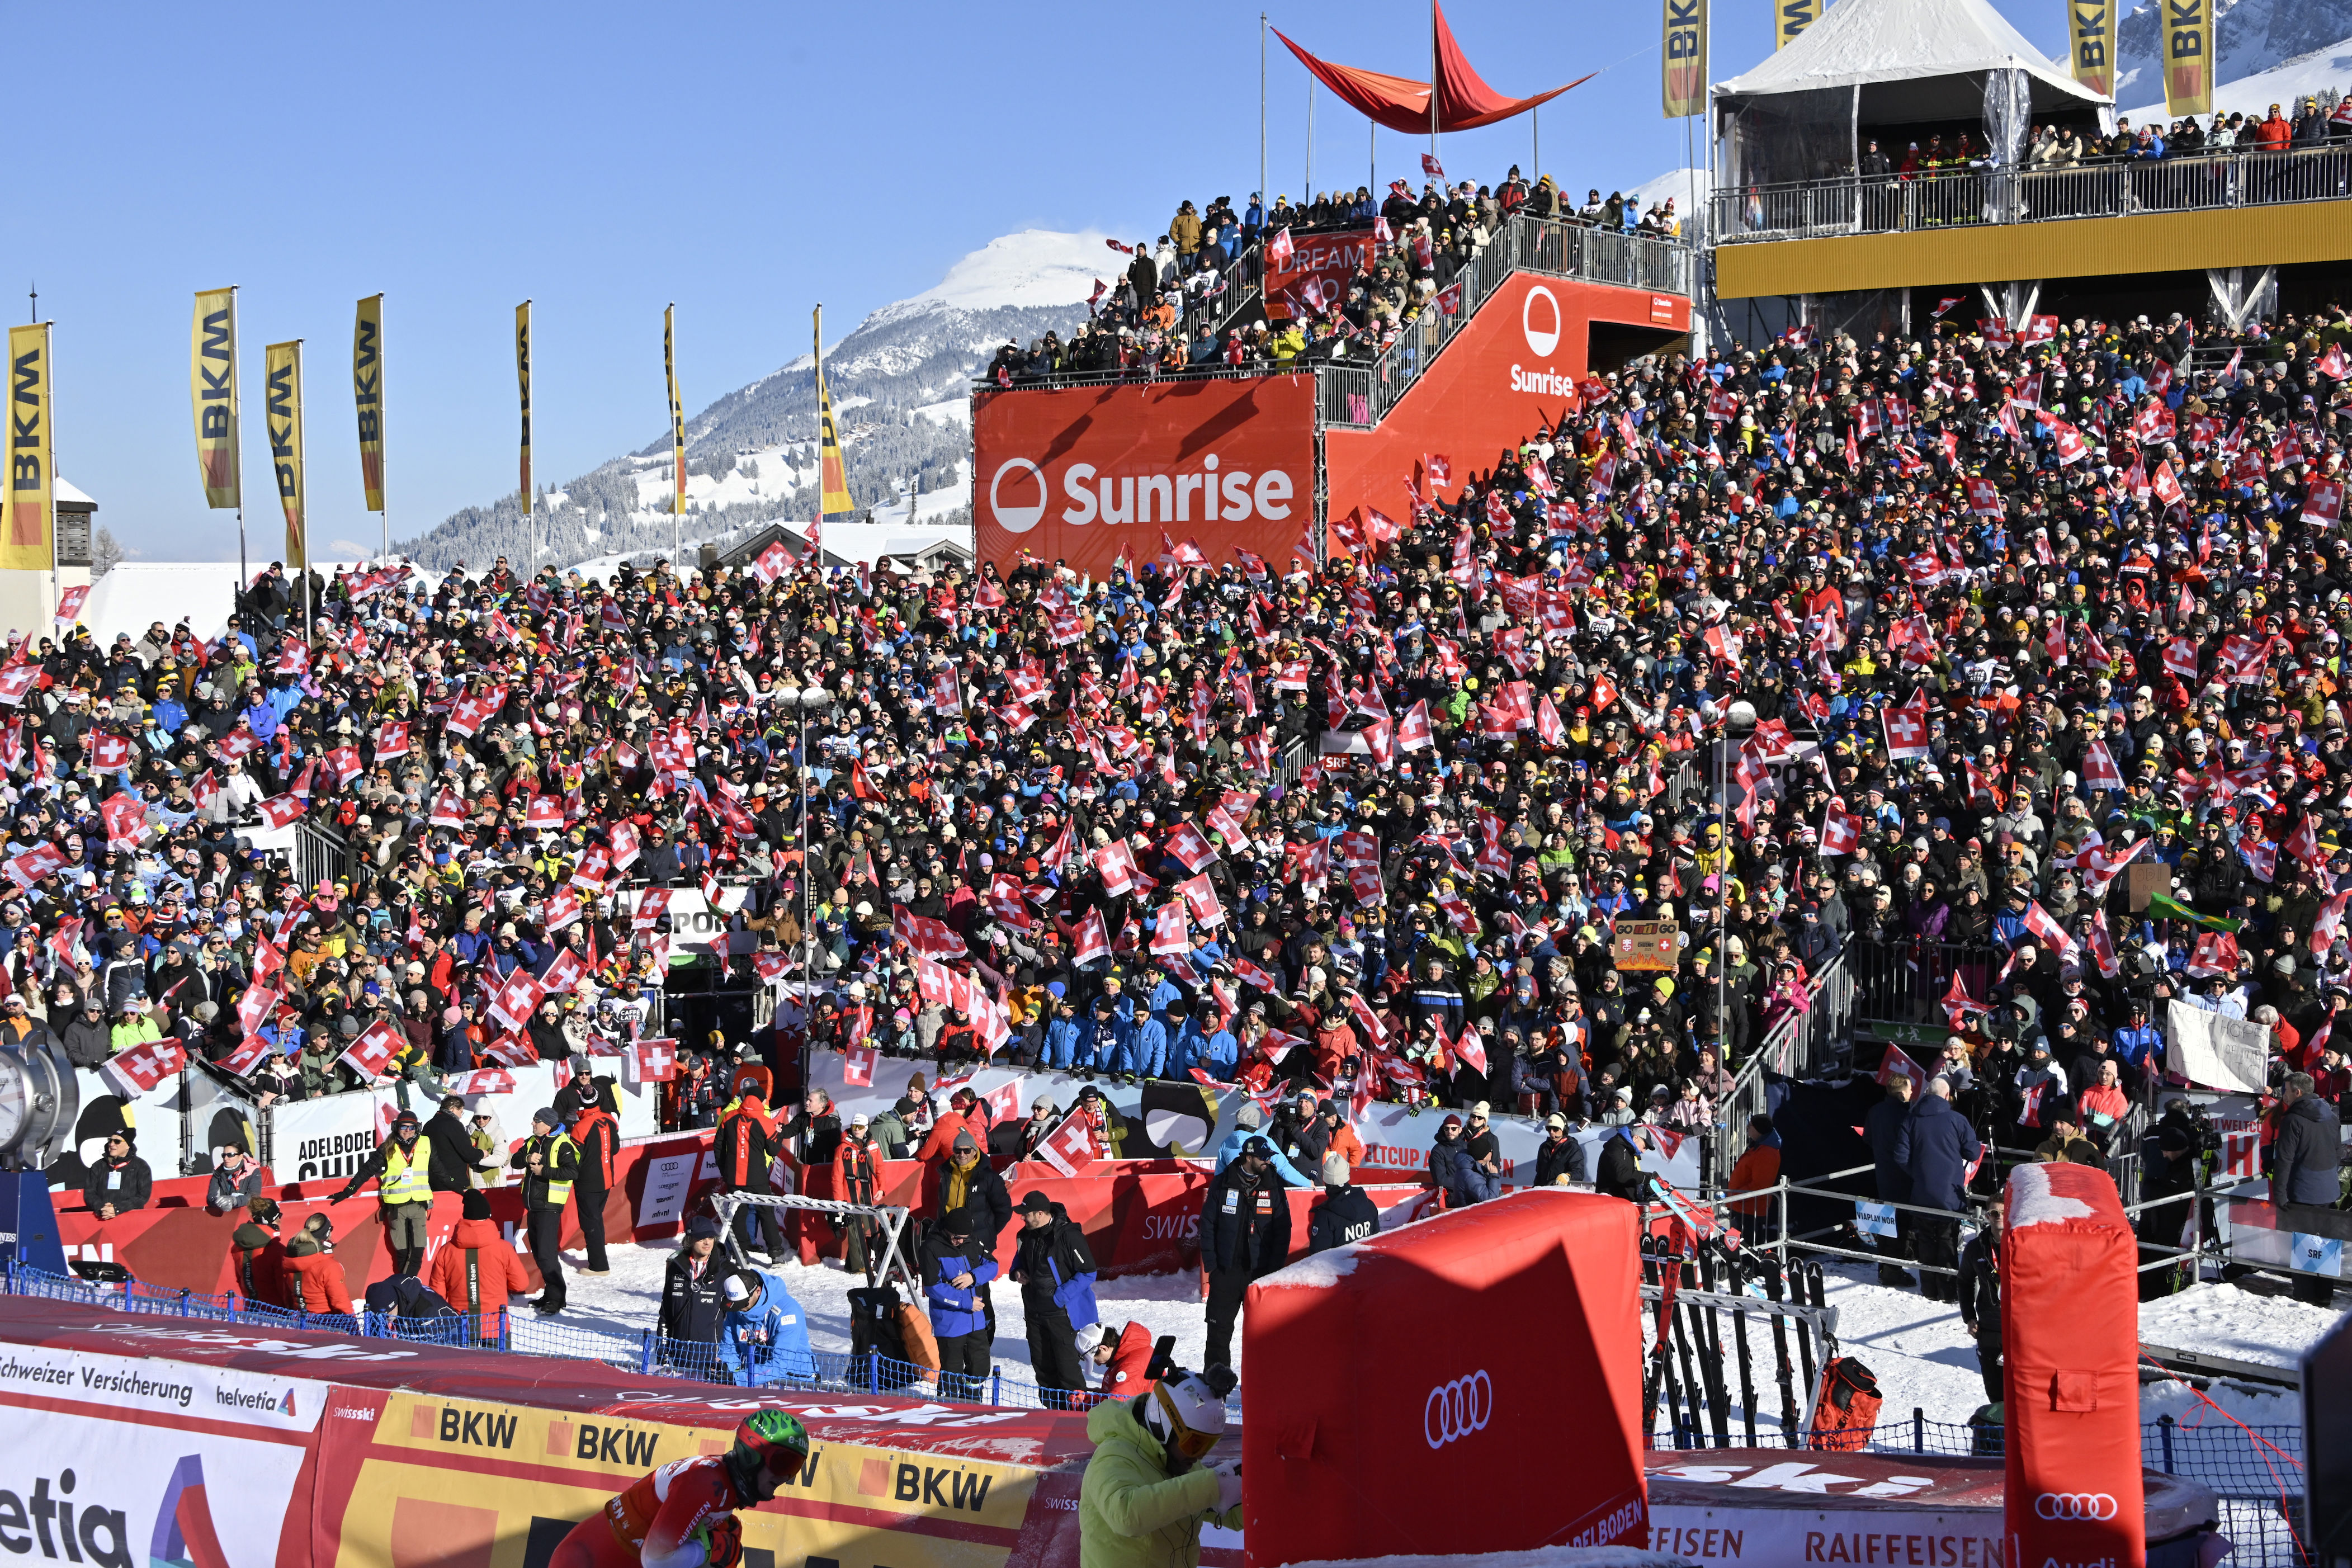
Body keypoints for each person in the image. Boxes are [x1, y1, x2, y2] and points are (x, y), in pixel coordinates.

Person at [550, 1409, 808, 1568]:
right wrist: (709, 1549)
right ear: (752, 1455)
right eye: (783, 1462)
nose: (786, 1475)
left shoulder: (723, 1489)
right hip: (588, 1560)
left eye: (795, 1466)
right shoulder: (707, 1483)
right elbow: (655, 1559)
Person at [1078, 1367, 1243, 1568]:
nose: (1200, 1455)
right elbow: (1126, 1515)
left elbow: (1230, 1516)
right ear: (1165, 1426)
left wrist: (1248, 1489)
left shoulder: (1180, 1462)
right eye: (1194, 1444)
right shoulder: (1114, 1455)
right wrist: (1212, 1486)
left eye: (1208, 1445)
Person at [1198, 1137, 1290, 1369]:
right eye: (1263, 1157)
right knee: (1218, 1335)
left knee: (1264, 1334)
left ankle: (1262, 1389)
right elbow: (1207, 1225)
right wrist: (1213, 1267)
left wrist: (1274, 1271)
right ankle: (1216, 1390)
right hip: (1226, 1273)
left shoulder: (1274, 1185)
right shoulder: (1222, 1183)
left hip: (1260, 1274)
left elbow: (1283, 1229)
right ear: (1248, 1157)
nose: (1267, 1161)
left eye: (1269, 1157)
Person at [1894, 1077, 1982, 1302]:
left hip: (1922, 1191)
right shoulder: (1957, 1119)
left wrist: (1919, 1175)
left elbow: (1901, 1156)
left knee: (1925, 1240)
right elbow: (1973, 1153)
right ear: (1947, 1096)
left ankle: (1929, 1289)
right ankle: (1949, 1290)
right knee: (1947, 1240)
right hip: (1949, 1192)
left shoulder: (1910, 1119)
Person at [1012, 1190, 1102, 1403]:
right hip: (1034, 1313)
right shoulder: (1025, 1234)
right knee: (1043, 1370)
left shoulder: (1069, 1235)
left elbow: (1088, 1272)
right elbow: (1018, 1261)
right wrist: (1016, 1272)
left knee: (1068, 1370)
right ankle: (1051, 1416)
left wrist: (1059, 1297)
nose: (1022, 1217)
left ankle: (1076, 1422)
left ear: (1041, 1214)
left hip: (1062, 1315)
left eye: (1026, 1214)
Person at [329, 1109, 438, 1278]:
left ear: (418, 1129)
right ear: (397, 1127)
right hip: (396, 1207)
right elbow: (367, 1170)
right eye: (404, 1126)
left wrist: (460, 1188)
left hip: (419, 1205)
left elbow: (440, 1171)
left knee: (417, 1253)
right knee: (402, 1254)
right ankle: (406, 1292)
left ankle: (405, 1291)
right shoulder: (388, 1146)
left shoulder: (426, 1143)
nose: (408, 1131)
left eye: (412, 1127)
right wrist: (348, 1191)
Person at [2274, 1070, 2344, 1306]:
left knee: (2303, 1245)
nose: (2283, 1095)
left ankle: (2304, 1295)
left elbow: (2284, 1160)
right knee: (2325, 1243)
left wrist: (2279, 1194)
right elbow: (2338, 1153)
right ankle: (2324, 1294)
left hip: (2302, 1192)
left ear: (2298, 1092)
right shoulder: (2332, 1116)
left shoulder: (2292, 1120)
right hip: (2328, 1191)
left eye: (2286, 1090)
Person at [431, 1188, 528, 1340]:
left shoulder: (446, 1250)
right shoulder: (503, 1248)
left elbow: (437, 1295)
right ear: (488, 1217)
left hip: (460, 1328)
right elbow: (520, 1284)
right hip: (496, 1327)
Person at [922, 1207, 999, 1397]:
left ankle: (972, 1401)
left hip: (975, 1319)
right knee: (952, 1370)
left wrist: (973, 1277)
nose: (960, 1242)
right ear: (947, 1230)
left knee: (980, 1366)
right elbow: (933, 1287)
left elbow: (993, 1265)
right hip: (950, 1322)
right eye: (957, 1238)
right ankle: (949, 1406)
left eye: (964, 1237)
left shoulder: (971, 1242)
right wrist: (966, 1302)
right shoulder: (931, 1248)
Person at [510, 1106, 579, 1315]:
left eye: (536, 1121)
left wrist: (544, 1171)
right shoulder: (532, 1142)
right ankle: (550, 1294)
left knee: (548, 1255)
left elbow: (572, 1172)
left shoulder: (562, 1143)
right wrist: (527, 1158)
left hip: (550, 1205)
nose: (533, 1124)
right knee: (540, 1253)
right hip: (533, 1205)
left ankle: (557, 1298)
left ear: (548, 1124)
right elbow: (514, 1161)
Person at [717, 1269, 818, 1386]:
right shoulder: (736, 1311)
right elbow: (729, 1349)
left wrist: (738, 1379)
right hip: (753, 1378)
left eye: (743, 1304)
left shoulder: (788, 1312)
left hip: (794, 1382)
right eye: (735, 1305)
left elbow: (781, 1364)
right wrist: (725, 1370)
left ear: (758, 1292)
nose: (739, 1309)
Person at [716, 1089, 784, 1262]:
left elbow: (718, 1146)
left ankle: (741, 1253)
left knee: (738, 1214)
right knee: (766, 1212)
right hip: (757, 1177)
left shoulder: (729, 1116)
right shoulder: (765, 1121)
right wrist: (779, 1134)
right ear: (761, 1101)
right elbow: (773, 1150)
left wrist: (724, 1170)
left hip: (734, 1176)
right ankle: (775, 1253)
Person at [1865, 1074, 1916, 1287]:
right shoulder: (1904, 1116)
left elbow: (1867, 1138)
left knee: (1885, 1223)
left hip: (1882, 1172)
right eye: (1910, 1089)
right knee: (1899, 1224)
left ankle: (1885, 1267)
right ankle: (1892, 1271)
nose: (1913, 1092)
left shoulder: (1875, 1111)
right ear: (1903, 1092)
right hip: (1902, 1175)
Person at [660, 1215, 732, 1353]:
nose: (707, 1242)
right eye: (701, 1238)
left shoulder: (727, 1271)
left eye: (711, 1237)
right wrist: (663, 1352)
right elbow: (665, 1314)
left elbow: (735, 1321)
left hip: (710, 1359)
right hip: (678, 1357)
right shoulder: (676, 1267)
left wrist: (724, 1357)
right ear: (690, 1240)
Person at [1956, 1208, 2004, 1406]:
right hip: (1990, 1327)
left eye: (2004, 1211)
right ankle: (1999, 1434)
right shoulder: (1977, 1247)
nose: (1999, 1216)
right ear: (1987, 1217)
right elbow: (1964, 1281)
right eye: (1994, 1212)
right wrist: (1969, 1317)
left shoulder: (2026, 1243)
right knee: (1995, 1392)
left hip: (2023, 1330)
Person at [570, 1095, 622, 1274]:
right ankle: (598, 1258)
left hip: (587, 1183)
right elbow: (615, 1148)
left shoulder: (580, 1127)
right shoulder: (609, 1120)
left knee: (591, 1224)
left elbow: (575, 1159)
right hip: (606, 1180)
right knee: (596, 1221)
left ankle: (599, 1266)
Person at [1306, 1151, 1377, 1252]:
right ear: (1347, 1175)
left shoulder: (1325, 1216)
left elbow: (1317, 1258)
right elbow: (1376, 1243)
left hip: (1339, 1267)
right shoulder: (1369, 1205)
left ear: (1325, 1179)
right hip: (1365, 1265)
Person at [228, 1199, 289, 1307]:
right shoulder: (277, 1250)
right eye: (279, 1217)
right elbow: (284, 1289)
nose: (280, 1220)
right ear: (272, 1219)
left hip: (250, 1312)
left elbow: (241, 1281)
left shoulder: (237, 1246)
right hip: (276, 1315)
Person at [82, 1129, 150, 1220]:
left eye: (117, 1141)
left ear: (128, 1146)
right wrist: (102, 1209)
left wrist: (117, 1209)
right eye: (110, 1141)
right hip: (102, 1219)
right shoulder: (98, 1166)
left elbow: (143, 1196)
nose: (112, 1144)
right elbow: (89, 1193)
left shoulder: (141, 1166)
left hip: (130, 1220)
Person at [1532, 1111, 1587, 1187]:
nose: (1552, 1132)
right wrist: (1535, 1190)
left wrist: (1567, 1176)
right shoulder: (1544, 1147)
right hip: (1543, 1192)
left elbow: (1579, 1173)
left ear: (1564, 1129)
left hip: (1562, 1193)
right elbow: (1539, 1174)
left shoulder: (1573, 1148)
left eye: (1556, 1129)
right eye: (1549, 1129)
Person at [206, 1145, 265, 1215]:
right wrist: (219, 1202)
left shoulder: (253, 1171)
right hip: (225, 1217)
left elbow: (254, 1197)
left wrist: (234, 1200)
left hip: (246, 1216)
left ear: (240, 1157)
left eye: (230, 1155)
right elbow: (211, 1197)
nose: (226, 1158)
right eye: (224, 1155)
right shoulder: (218, 1172)